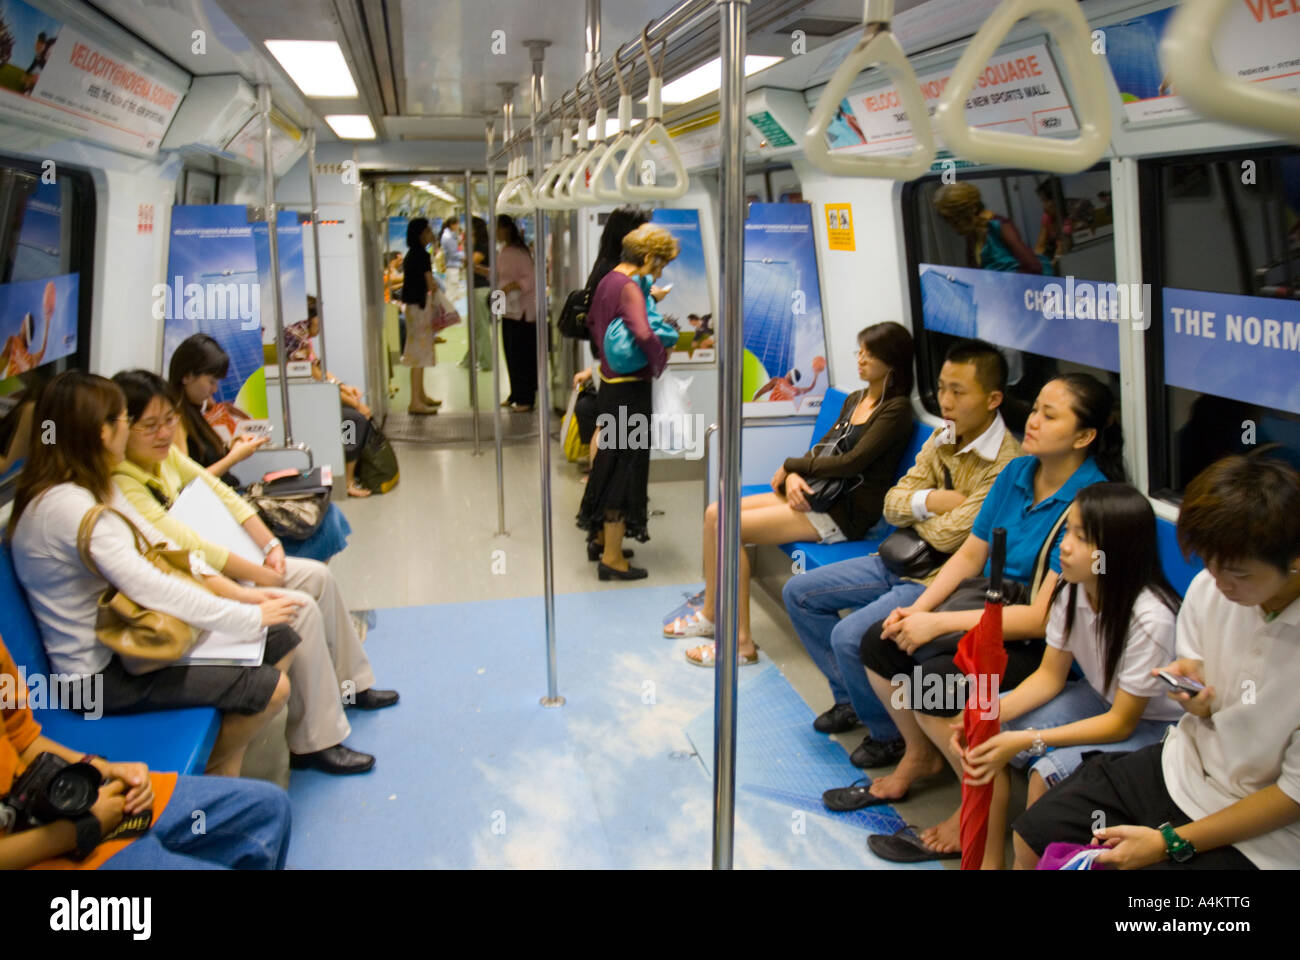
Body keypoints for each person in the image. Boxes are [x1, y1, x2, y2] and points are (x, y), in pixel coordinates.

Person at [826, 373, 1122, 859]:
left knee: (934, 680)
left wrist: (938, 624)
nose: (1034, 422)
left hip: (1034, 642)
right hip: (984, 607)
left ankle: (978, 808)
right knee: (881, 642)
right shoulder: (1016, 474)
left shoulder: (1091, 502)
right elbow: (968, 557)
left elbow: (1041, 619)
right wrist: (915, 611)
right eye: (1035, 410)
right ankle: (922, 755)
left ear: (1085, 436)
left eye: (1051, 415)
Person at [1014, 454, 1300, 870]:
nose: (1219, 583)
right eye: (1208, 563)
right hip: (1183, 763)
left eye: (1238, 573)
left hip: (1265, 827)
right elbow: (1202, 674)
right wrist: (1198, 699)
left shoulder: (1151, 614)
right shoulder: (1210, 588)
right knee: (1034, 837)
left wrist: (1169, 841)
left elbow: (1291, 797)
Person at [7, 372, 299, 778]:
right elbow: (153, 586)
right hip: (97, 678)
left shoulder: (91, 487)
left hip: (129, 646)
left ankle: (220, 780)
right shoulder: (67, 507)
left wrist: (247, 598)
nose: (131, 429)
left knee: (281, 638)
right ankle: (198, 787)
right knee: (271, 689)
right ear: (101, 432)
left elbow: (167, 554)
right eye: (124, 419)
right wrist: (246, 616)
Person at [109, 370, 399, 774]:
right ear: (121, 428)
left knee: (317, 576)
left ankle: (353, 683)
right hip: (199, 587)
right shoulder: (125, 484)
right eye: (150, 425)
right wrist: (260, 575)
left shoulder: (165, 458)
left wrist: (270, 546)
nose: (163, 433)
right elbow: (188, 548)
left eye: (169, 421)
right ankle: (313, 742)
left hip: (227, 567)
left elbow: (223, 494)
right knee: (297, 608)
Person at [782, 339, 1022, 766]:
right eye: (942, 389)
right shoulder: (942, 436)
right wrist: (933, 500)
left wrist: (919, 510)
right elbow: (893, 502)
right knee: (798, 593)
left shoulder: (1006, 463)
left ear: (993, 399)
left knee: (849, 635)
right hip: (897, 556)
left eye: (958, 392)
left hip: (938, 580)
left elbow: (953, 539)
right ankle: (852, 698)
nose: (945, 401)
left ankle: (887, 734)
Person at [951, 483, 1182, 869]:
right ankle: (989, 861)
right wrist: (985, 717)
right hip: (1098, 696)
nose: (1066, 546)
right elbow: (1049, 676)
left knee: (1046, 771)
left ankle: (1033, 858)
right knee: (987, 734)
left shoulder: (1150, 618)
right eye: (1067, 532)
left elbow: (1121, 723)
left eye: (1082, 537)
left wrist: (1032, 738)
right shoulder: (1071, 587)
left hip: (1153, 723)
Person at [672, 323, 917, 669]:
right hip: (819, 493)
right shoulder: (856, 399)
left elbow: (852, 462)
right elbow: (823, 448)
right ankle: (712, 614)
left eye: (870, 354)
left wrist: (790, 466)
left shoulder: (896, 410)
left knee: (731, 529)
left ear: (892, 362)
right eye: (859, 351)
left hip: (843, 512)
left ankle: (741, 643)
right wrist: (794, 477)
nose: (861, 359)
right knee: (715, 513)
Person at [0, 636, 292, 869]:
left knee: (269, 809)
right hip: (37, 846)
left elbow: (23, 739)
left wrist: (103, 768)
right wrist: (78, 830)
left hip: (46, 802)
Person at [167, 333, 360, 550]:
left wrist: (232, 446)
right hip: (223, 506)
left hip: (232, 496)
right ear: (186, 376)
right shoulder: (176, 421)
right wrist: (234, 457)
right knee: (323, 522)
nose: (214, 390)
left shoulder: (192, 412)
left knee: (326, 512)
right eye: (211, 382)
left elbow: (200, 457)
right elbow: (187, 487)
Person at [576, 222, 678, 582]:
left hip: (610, 385)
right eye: (659, 263)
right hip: (631, 393)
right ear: (648, 257)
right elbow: (644, 332)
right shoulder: (630, 288)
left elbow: (596, 321)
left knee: (608, 463)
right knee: (624, 469)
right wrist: (662, 355)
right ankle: (613, 558)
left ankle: (602, 539)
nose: (660, 271)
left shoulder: (608, 280)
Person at [933, 181, 1046, 275]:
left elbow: (1033, 266)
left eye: (955, 220)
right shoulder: (972, 234)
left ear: (972, 210)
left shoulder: (999, 226)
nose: (952, 226)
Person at [400, 218, 442, 415]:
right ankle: (415, 401)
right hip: (420, 308)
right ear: (421, 234)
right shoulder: (423, 256)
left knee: (418, 353)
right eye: (428, 231)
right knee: (418, 355)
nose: (430, 234)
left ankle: (420, 395)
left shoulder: (410, 255)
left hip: (411, 308)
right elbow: (430, 283)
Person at [496, 214, 536, 412]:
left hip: (521, 311)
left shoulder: (519, 253)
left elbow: (530, 278)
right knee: (510, 354)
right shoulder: (504, 251)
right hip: (509, 310)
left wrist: (513, 285)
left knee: (521, 355)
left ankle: (525, 397)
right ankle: (515, 393)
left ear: (506, 229)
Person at [459, 216, 493, 372]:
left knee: (481, 327)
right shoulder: (479, 246)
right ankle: (470, 359)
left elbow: (471, 262)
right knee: (476, 327)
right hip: (477, 289)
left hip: (481, 290)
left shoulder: (482, 247)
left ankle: (486, 361)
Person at [0, 280, 54, 378]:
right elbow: (43, 350)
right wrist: (47, 320)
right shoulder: (32, 359)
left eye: (24, 323)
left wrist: (47, 319)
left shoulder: (14, 342)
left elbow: (1, 364)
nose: (22, 324)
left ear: (24, 328)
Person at [440, 216, 464, 285]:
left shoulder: (450, 235)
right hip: (452, 267)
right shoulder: (448, 237)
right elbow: (453, 254)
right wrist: (464, 255)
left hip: (452, 267)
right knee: (452, 292)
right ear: (452, 225)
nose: (458, 226)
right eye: (457, 224)